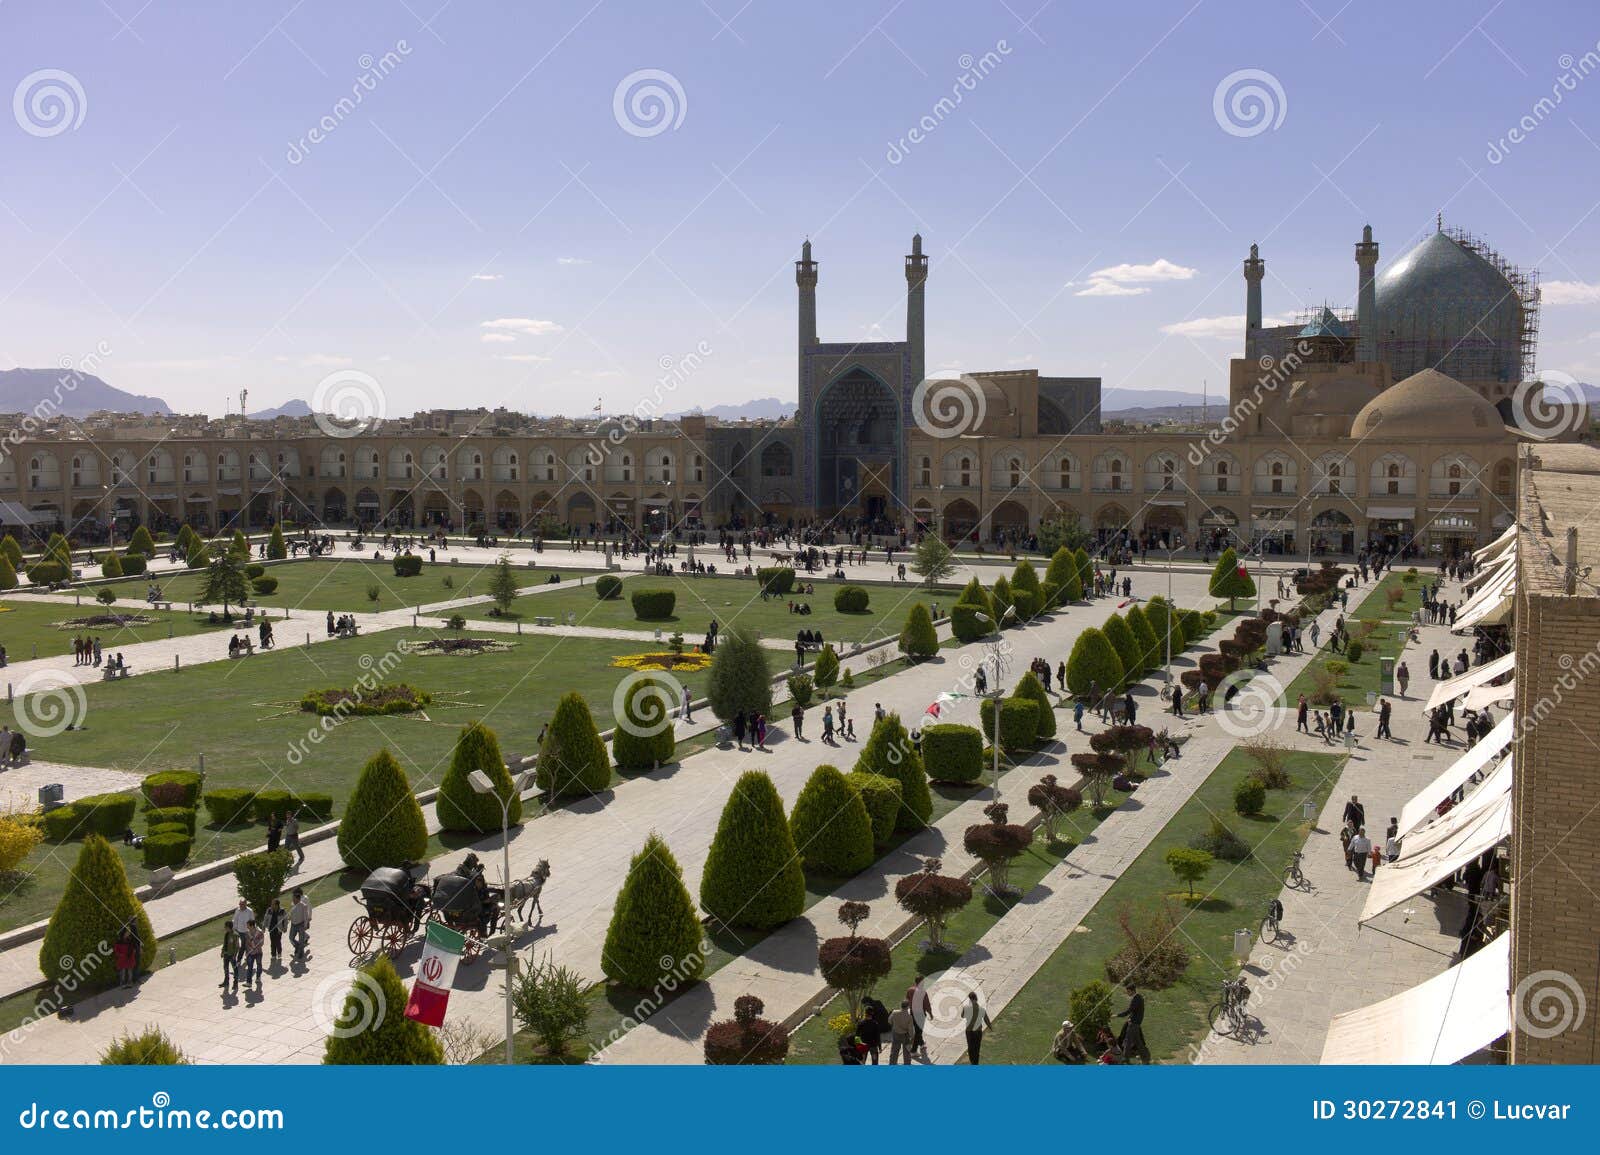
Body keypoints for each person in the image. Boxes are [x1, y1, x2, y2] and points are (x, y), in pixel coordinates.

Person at [1115, 983, 1149, 1063]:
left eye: (1128, 991)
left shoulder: (1136, 999)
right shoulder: (1139, 997)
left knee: (1127, 1040)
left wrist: (1117, 1015)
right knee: (1137, 1040)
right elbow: (1135, 1012)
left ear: (1132, 990)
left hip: (1134, 1023)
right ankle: (1144, 1054)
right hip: (1135, 1022)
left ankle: (1125, 1058)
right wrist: (1130, 1018)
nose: (1127, 993)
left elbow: (1128, 1011)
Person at [961, 990, 992, 1064]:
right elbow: (986, 1019)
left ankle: (972, 1062)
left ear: (970, 999)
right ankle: (976, 1063)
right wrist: (990, 1027)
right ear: (976, 998)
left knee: (970, 1047)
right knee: (977, 1047)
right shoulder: (981, 1009)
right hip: (978, 1031)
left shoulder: (966, 1008)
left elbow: (962, 1016)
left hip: (969, 1031)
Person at [908, 974, 931, 1057]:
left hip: (912, 1012)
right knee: (919, 1031)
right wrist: (930, 1014)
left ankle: (921, 1043)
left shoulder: (910, 990)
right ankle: (913, 1051)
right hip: (920, 1014)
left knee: (917, 1030)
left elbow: (907, 999)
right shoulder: (923, 992)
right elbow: (927, 1004)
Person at [288, 887, 312, 963]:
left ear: (297, 898)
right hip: (293, 924)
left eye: (293, 897)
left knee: (301, 940)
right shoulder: (293, 904)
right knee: (291, 938)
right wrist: (289, 918)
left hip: (301, 924)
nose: (292, 899)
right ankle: (297, 946)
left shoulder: (304, 904)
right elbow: (291, 913)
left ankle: (300, 952)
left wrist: (307, 921)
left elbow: (308, 911)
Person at [889, 1000, 916, 1064]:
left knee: (894, 1051)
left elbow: (889, 1021)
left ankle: (892, 1064)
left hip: (896, 1034)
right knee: (907, 1052)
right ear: (907, 1007)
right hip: (905, 1036)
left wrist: (895, 1025)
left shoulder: (894, 1012)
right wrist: (912, 1037)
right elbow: (910, 1030)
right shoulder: (909, 1017)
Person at [219, 919, 241, 993]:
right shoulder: (227, 934)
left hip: (232, 955)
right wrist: (222, 952)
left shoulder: (235, 935)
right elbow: (225, 944)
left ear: (228, 927)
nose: (224, 928)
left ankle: (235, 983)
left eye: (225, 927)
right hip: (226, 954)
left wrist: (235, 955)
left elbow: (237, 946)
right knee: (225, 968)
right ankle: (226, 981)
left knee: (235, 969)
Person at [266, 897, 287, 963]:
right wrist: (264, 926)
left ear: (277, 905)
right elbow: (265, 918)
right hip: (271, 929)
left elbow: (286, 920)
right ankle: (273, 954)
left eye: (273, 904)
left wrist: (285, 928)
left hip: (279, 929)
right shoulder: (269, 910)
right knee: (272, 942)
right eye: (271, 904)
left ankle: (279, 953)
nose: (271, 905)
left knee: (277, 941)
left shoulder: (282, 911)